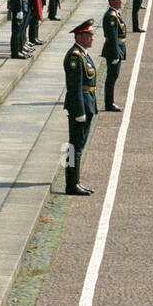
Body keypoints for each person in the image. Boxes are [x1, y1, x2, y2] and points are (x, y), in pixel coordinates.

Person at [62, 20, 98, 196]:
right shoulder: (75, 56)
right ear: (79, 36)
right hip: (80, 106)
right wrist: (79, 111)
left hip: (87, 103)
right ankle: (70, 183)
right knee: (73, 147)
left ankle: (75, 181)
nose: (92, 38)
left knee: (78, 146)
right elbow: (75, 86)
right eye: (89, 35)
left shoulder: (82, 54)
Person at [101, 0, 126, 112]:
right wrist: (116, 54)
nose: (121, 1)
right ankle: (109, 103)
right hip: (113, 50)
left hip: (117, 49)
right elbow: (112, 37)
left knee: (113, 77)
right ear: (111, 1)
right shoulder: (111, 17)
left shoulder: (115, 14)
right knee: (111, 78)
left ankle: (110, 102)